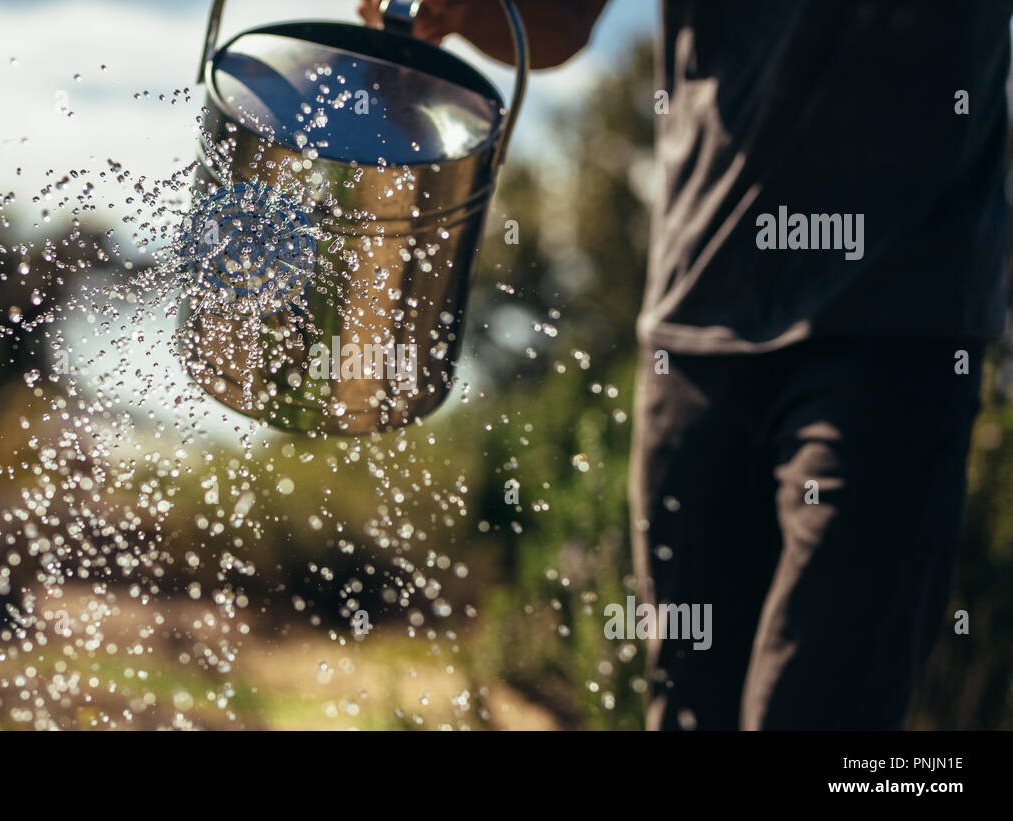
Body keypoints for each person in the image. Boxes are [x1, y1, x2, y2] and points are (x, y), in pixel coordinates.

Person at [360, 0, 1013, 729]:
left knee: (823, 704)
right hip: (697, 322)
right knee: (688, 707)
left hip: (896, 314)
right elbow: (564, 21)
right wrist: (459, 12)